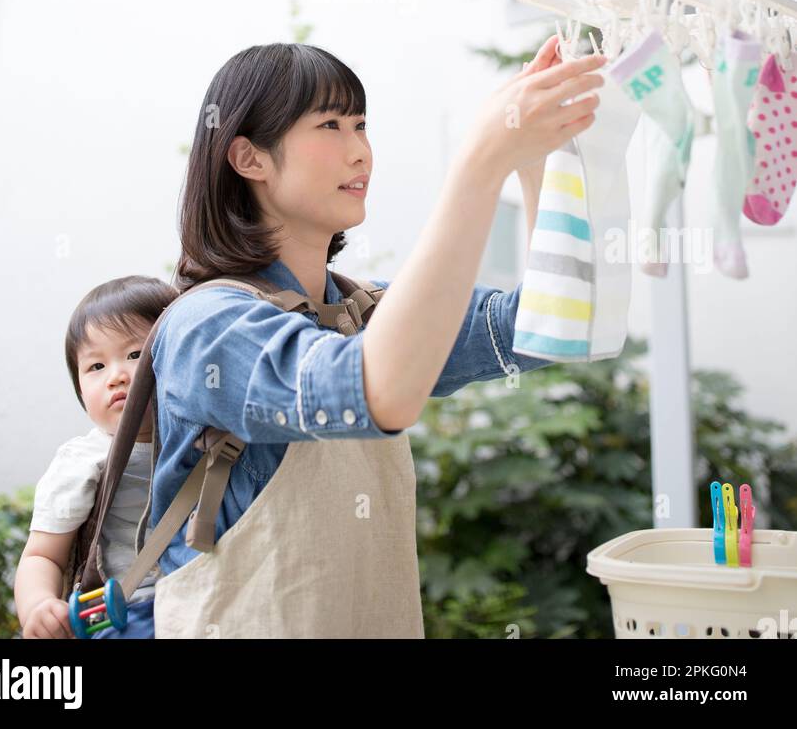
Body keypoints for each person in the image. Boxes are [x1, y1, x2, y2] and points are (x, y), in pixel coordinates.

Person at [138, 34, 606, 639]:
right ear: (249, 158)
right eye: (330, 125)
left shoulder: (362, 311)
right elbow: (370, 389)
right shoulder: (211, 328)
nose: (360, 151)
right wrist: (479, 165)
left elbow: (554, 325)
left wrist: (536, 157)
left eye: (361, 124)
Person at [14, 275, 177, 639]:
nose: (116, 376)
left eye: (136, 354)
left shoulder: (209, 441)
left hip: (208, 601)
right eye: (96, 367)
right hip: (125, 614)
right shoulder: (83, 460)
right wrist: (39, 606)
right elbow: (43, 555)